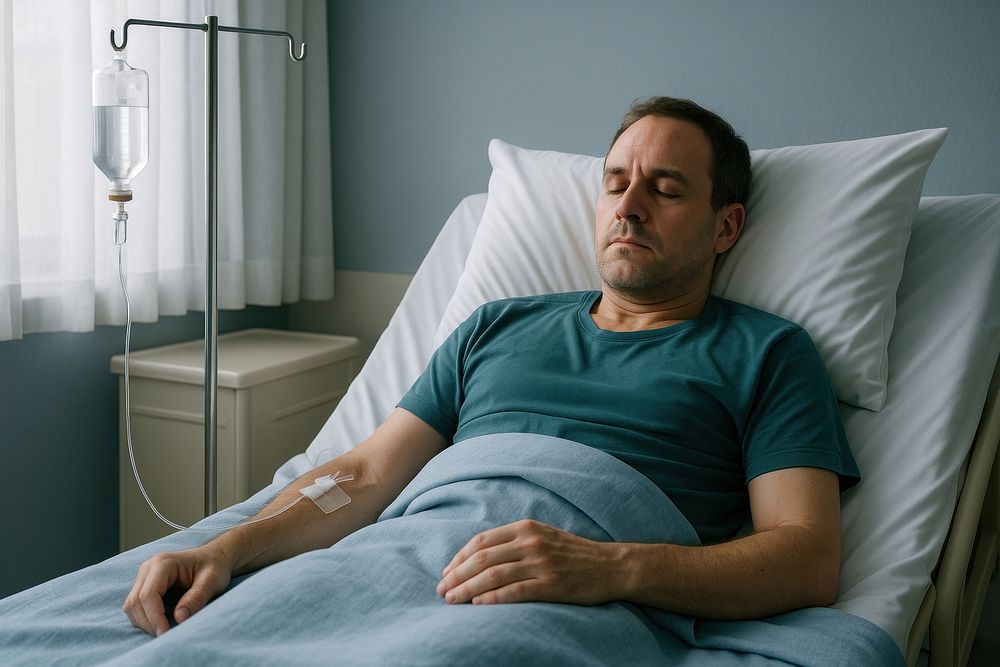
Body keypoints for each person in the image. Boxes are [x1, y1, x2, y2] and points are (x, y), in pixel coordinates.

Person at [124, 96, 859, 637]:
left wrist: (611, 569)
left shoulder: (767, 352)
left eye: (665, 189)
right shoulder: (496, 325)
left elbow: (805, 557)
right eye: (614, 183)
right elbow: (366, 475)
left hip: (566, 602)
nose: (629, 206)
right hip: (398, 553)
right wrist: (225, 549)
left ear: (726, 224)